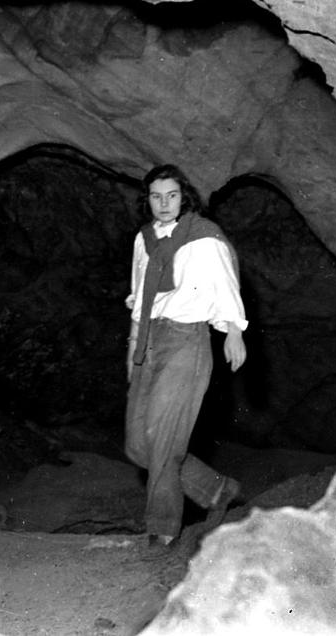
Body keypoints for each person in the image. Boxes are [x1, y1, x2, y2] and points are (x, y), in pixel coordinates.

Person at [124, 163, 249, 547]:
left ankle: (161, 528)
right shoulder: (143, 240)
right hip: (148, 340)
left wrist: (233, 331)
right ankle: (216, 490)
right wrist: (132, 350)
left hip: (186, 340)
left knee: (163, 440)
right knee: (138, 446)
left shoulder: (203, 237)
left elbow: (225, 281)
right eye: (156, 196)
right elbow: (138, 297)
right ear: (148, 200)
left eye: (172, 195)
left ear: (184, 198)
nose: (164, 203)